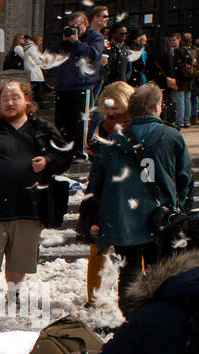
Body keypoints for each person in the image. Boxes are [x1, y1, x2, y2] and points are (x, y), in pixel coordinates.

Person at [0, 79, 72, 308]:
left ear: (27, 100)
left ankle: (14, 296)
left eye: (15, 98)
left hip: (29, 207)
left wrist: (48, 161)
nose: (10, 103)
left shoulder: (42, 129)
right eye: (5, 99)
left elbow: (64, 156)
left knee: (19, 260)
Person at [87, 83, 192, 311]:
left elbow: (97, 183)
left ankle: (131, 315)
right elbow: (184, 179)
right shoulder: (171, 136)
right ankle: (158, 313)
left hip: (124, 215)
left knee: (130, 268)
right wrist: (179, 208)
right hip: (160, 215)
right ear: (157, 107)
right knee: (159, 268)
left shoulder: (112, 140)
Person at [84, 80, 134, 306]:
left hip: (128, 192)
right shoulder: (105, 126)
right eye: (108, 110)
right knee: (97, 245)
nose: (111, 115)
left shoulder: (137, 128)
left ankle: (135, 294)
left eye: (116, 110)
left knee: (133, 249)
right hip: (103, 193)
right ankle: (93, 297)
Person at [49, 11, 105, 158]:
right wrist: (63, 41)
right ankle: (64, 151)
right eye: (71, 26)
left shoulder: (95, 37)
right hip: (63, 86)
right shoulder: (66, 41)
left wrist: (77, 42)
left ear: (85, 24)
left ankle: (79, 153)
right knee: (61, 121)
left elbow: (92, 55)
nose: (74, 29)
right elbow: (54, 55)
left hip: (81, 86)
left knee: (79, 122)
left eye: (77, 26)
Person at [23, 34, 47, 107]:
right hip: (33, 70)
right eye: (40, 40)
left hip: (33, 70)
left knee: (36, 88)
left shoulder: (32, 47)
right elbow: (36, 58)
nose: (41, 42)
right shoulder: (32, 47)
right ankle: (38, 103)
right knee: (37, 88)